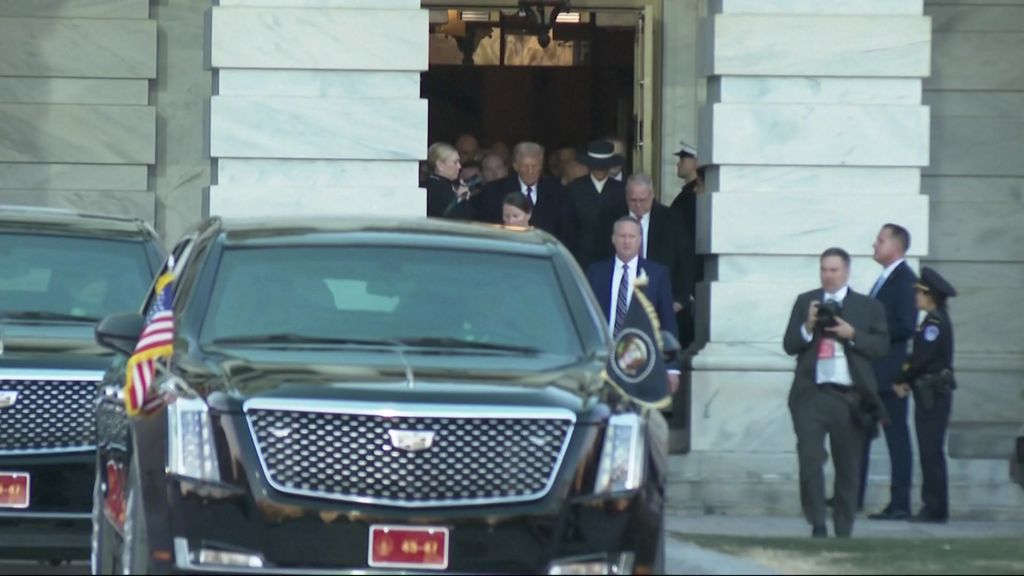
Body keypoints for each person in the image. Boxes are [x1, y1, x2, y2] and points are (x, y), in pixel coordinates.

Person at [783, 247, 888, 538]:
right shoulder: (807, 301)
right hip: (811, 395)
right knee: (810, 458)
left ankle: (844, 528)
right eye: (824, 270)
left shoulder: (868, 307)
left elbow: (882, 347)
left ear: (846, 272)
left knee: (848, 466)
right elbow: (790, 344)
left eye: (834, 270)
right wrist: (807, 325)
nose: (828, 276)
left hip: (850, 397)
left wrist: (852, 334)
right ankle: (817, 522)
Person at [586, 216, 680, 394]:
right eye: (622, 236)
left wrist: (672, 368)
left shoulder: (657, 274)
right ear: (613, 239)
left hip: (642, 358)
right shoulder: (596, 272)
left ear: (640, 240)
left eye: (632, 236)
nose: (627, 241)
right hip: (603, 358)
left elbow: (668, 323)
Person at [893, 267, 957, 524]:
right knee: (930, 451)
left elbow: (921, 358)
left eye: (919, 293)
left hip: (932, 395)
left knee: (931, 452)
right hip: (929, 393)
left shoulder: (934, 323)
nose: (916, 297)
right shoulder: (933, 320)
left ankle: (934, 508)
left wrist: (901, 379)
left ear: (930, 296)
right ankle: (935, 506)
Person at [863, 224, 919, 520]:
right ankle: (852, 496)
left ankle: (900, 504)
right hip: (873, 373)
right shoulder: (887, 279)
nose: (875, 243)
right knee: (858, 434)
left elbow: (905, 326)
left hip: (890, 375)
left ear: (895, 247)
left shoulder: (905, 281)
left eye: (880, 240)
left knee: (897, 438)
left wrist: (870, 332)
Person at [619, 174, 693, 347]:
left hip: (663, 305)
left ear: (652, 195)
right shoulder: (611, 218)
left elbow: (686, 261)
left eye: (643, 200)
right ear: (626, 197)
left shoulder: (672, 219)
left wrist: (680, 299)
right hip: (623, 303)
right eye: (633, 200)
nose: (638, 205)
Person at [478, 141, 575, 249]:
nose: (530, 171)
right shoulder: (494, 191)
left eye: (534, 166)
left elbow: (567, 232)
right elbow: (487, 230)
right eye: (525, 166)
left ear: (541, 166)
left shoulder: (559, 191)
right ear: (515, 166)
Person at [567, 139, 628, 269]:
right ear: (589, 165)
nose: (599, 170)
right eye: (596, 166)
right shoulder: (575, 188)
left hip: (612, 259)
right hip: (581, 259)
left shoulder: (621, 190)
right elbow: (568, 227)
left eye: (603, 166)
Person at [424, 142, 470, 217]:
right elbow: (460, 219)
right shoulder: (442, 189)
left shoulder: (426, 184)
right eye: (455, 162)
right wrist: (461, 199)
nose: (459, 166)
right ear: (440, 165)